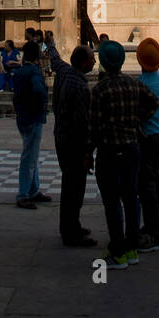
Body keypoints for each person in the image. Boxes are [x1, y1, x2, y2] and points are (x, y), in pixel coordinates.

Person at [88, 40, 159, 269]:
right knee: (131, 197)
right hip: (132, 148)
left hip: (109, 150)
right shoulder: (133, 84)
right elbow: (153, 103)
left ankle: (117, 251)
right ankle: (131, 248)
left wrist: (89, 151)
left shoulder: (99, 90)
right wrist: (136, 122)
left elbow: (94, 125)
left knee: (112, 201)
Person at [49, 40, 97, 247]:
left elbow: (54, 59)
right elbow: (83, 124)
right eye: (92, 60)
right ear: (84, 63)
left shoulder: (64, 72)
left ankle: (70, 226)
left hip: (60, 138)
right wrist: (88, 152)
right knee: (74, 189)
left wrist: (50, 42)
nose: (95, 62)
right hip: (73, 145)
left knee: (69, 186)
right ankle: (71, 233)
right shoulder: (81, 89)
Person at [135, 38, 159, 252]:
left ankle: (153, 233)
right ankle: (157, 222)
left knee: (146, 186)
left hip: (145, 138)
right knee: (156, 181)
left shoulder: (140, 85)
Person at [12, 39, 51, 209]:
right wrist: (42, 106)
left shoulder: (20, 71)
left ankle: (33, 189)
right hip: (33, 117)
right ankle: (23, 194)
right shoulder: (34, 72)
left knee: (31, 154)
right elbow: (39, 91)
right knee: (29, 156)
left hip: (22, 116)